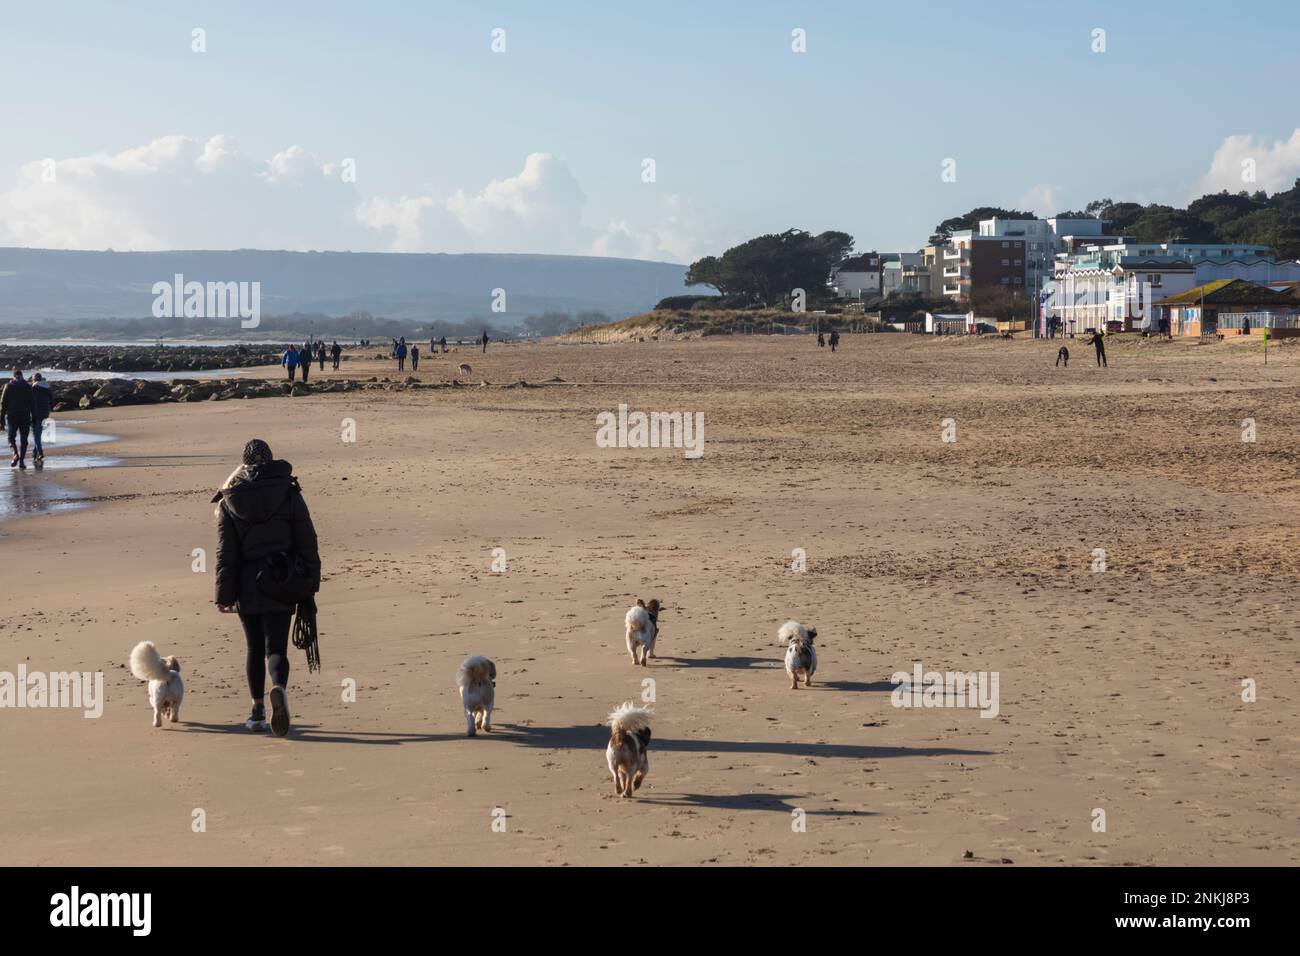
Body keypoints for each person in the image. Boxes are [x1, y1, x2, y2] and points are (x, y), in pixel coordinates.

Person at [213, 439, 320, 736]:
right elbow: (306, 537)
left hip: (247, 585)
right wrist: (311, 579)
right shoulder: (288, 491)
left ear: (244, 463)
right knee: (276, 648)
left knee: (253, 648)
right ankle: (279, 690)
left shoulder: (230, 497)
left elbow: (226, 552)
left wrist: (223, 595)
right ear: (270, 460)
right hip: (283, 579)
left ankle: (258, 710)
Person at [1, 368, 37, 470]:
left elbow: (2, 403)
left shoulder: (8, 386)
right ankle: (21, 462)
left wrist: (1, 419)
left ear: (13, 376)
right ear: (22, 376)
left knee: (11, 437)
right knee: (24, 439)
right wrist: (34, 417)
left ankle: (15, 454)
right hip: (25, 416)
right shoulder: (27, 386)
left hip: (12, 415)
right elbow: (32, 403)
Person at [30, 372, 52, 463]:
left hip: (36, 413)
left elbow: (29, 401)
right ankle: (35, 452)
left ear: (34, 380)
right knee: (38, 434)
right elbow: (51, 400)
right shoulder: (47, 388)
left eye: (32, 379)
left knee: (36, 433)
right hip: (45, 413)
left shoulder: (33, 388)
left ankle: (40, 452)